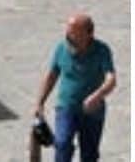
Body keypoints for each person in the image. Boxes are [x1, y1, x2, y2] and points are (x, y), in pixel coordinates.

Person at [33, 13, 117, 162]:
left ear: (89, 34)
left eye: (73, 33)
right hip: (66, 107)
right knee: (62, 144)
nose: (68, 36)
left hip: (92, 112)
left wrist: (97, 96)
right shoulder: (61, 48)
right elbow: (51, 76)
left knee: (89, 154)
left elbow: (111, 79)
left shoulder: (102, 50)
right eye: (68, 31)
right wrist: (40, 102)